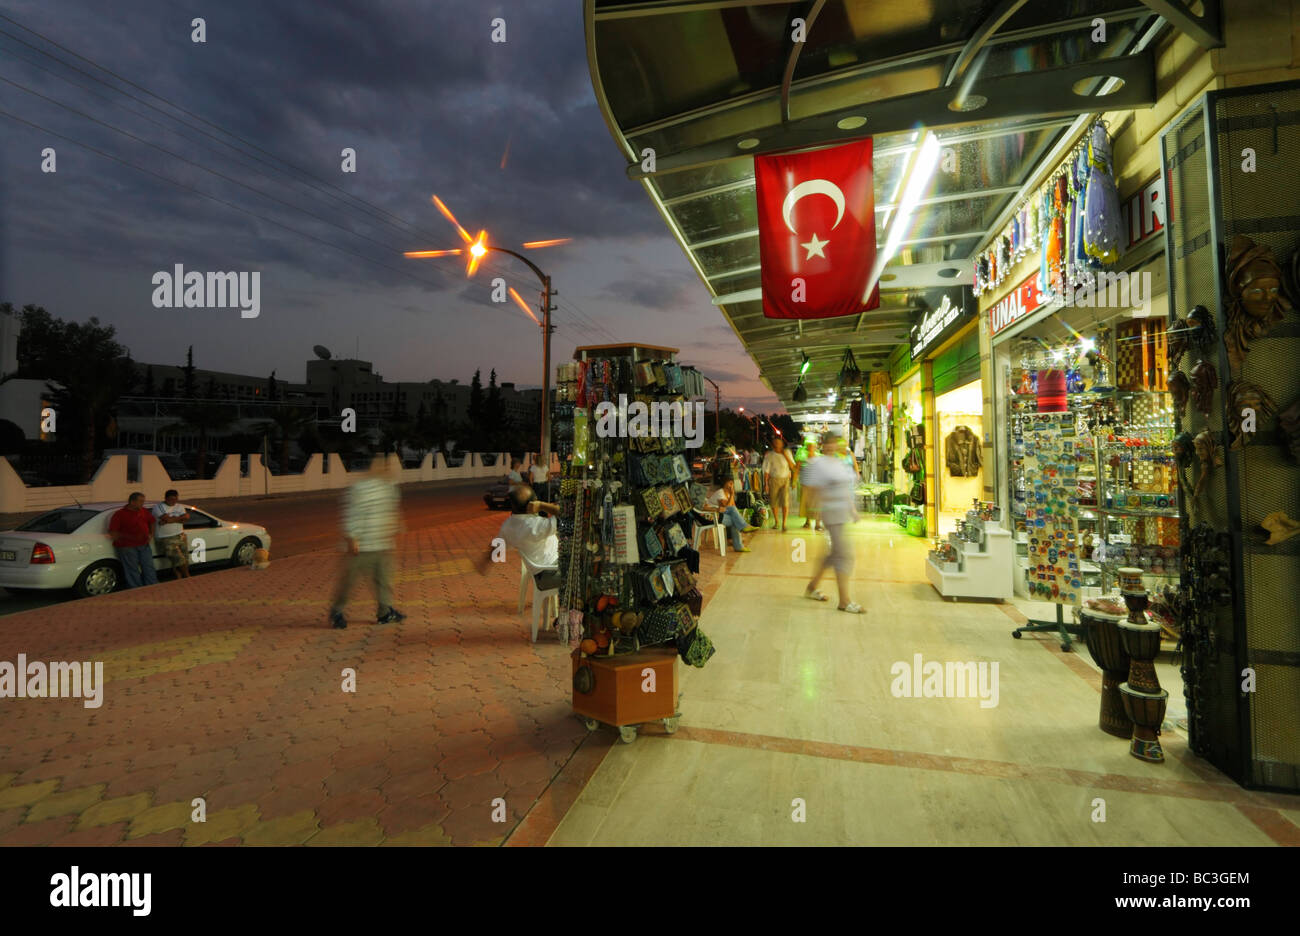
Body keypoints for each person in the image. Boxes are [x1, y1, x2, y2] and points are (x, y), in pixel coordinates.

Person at [328, 455, 406, 629]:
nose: (389, 470)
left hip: (381, 543)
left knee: (384, 580)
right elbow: (352, 513)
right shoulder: (361, 488)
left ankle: (385, 613)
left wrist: (395, 528)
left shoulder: (389, 487)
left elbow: (392, 511)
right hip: (360, 545)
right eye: (384, 467)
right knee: (349, 581)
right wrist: (352, 537)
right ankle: (337, 611)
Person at [801, 432, 863, 614]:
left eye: (833, 443)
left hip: (841, 513)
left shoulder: (838, 463)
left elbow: (845, 489)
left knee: (832, 555)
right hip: (831, 514)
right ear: (823, 444)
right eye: (827, 444)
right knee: (844, 556)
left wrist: (852, 510)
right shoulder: (817, 464)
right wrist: (815, 510)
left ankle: (812, 588)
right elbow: (811, 488)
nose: (831, 447)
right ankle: (844, 601)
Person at [491, 484, 562, 591]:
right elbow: (566, 513)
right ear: (532, 505)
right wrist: (542, 505)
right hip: (551, 574)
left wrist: (485, 562)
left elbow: (495, 551)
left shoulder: (507, 526)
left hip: (539, 572)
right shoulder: (536, 525)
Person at [108, 492, 157, 588]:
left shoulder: (143, 511)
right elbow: (113, 532)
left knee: (148, 567)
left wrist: (151, 534)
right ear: (132, 502)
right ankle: (136, 589)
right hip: (127, 547)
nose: (143, 503)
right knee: (132, 569)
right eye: (140, 501)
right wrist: (130, 537)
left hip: (144, 544)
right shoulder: (119, 514)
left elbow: (152, 521)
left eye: (143, 501)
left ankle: (152, 586)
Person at [701, 478, 758, 552]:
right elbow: (726, 506)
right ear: (724, 484)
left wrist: (731, 495)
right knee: (735, 520)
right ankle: (739, 543)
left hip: (719, 514)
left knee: (735, 518)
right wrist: (731, 494)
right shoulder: (720, 492)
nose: (731, 486)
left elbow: (732, 506)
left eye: (732, 484)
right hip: (713, 516)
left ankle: (742, 531)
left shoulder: (727, 493)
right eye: (730, 483)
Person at [152, 489, 192, 579]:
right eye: (171, 499)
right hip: (166, 537)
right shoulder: (158, 507)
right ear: (165, 498)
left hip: (180, 535)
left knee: (184, 559)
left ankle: (179, 578)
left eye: (175, 499)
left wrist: (171, 520)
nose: (173, 501)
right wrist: (178, 518)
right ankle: (187, 577)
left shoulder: (180, 506)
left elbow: (185, 519)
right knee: (179, 559)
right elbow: (166, 519)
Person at [762, 437, 796, 532]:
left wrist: (785, 455)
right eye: (775, 443)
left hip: (785, 479)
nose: (777, 445)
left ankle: (784, 524)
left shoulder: (787, 453)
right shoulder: (770, 455)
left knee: (785, 502)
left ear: (782, 444)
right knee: (774, 502)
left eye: (779, 443)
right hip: (773, 480)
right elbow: (767, 471)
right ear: (773, 444)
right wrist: (766, 484)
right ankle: (777, 522)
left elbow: (792, 466)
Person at [796, 439, 823, 530]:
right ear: (807, 447)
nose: (811, 447)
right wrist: (794, 481)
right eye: (809, 446)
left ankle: (818, 524)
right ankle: (807, 522)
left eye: (813, 445)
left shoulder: (820, 457)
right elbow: (797, 470)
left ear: (816, 447)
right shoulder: (802, 457)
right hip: (805, 484)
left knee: (818, 505)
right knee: (807, 504)